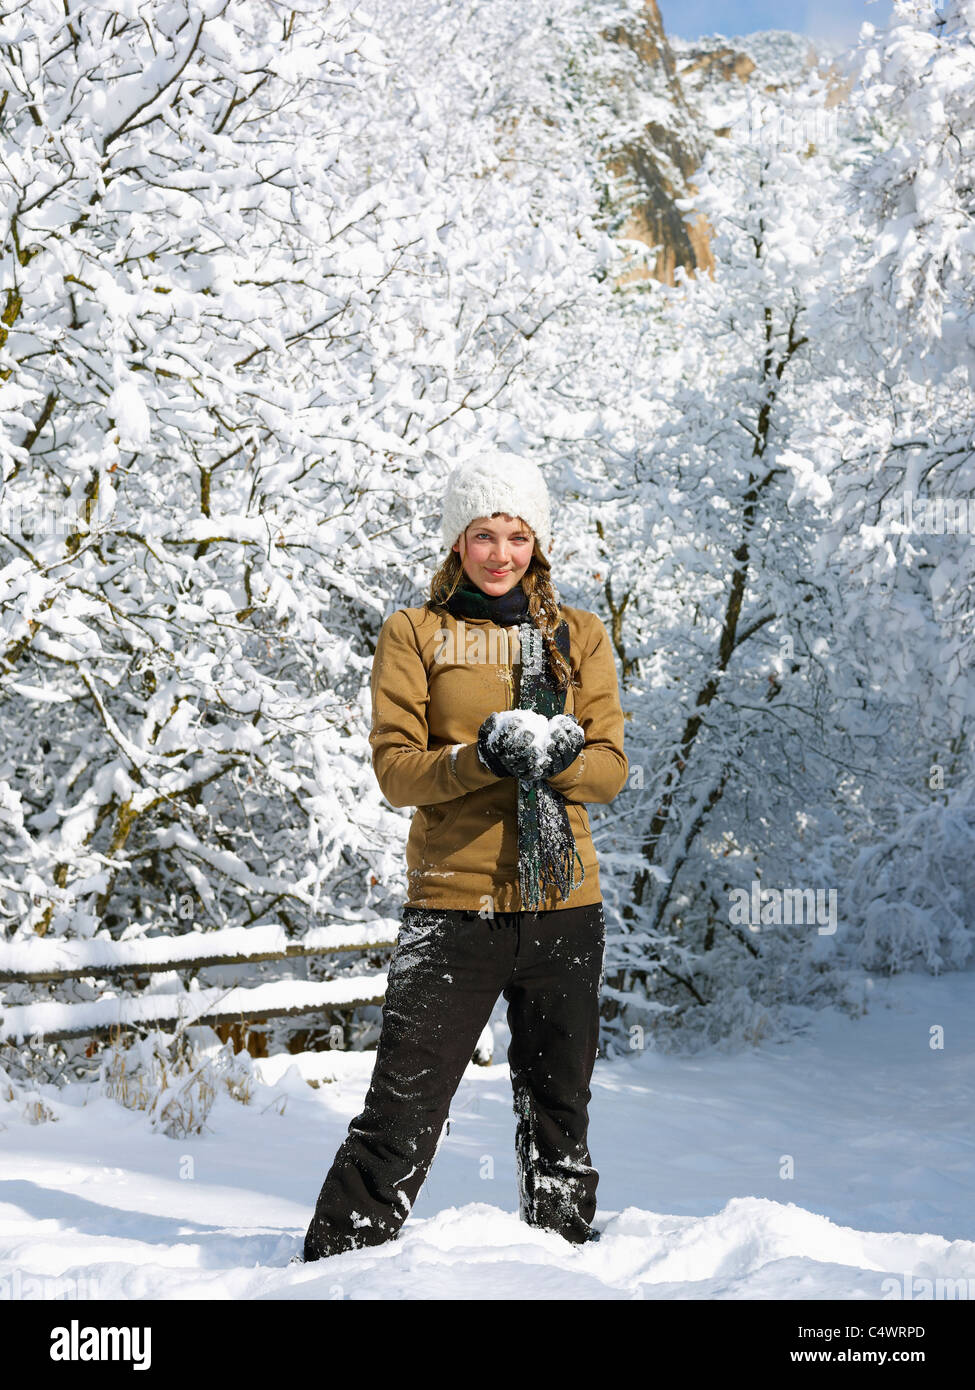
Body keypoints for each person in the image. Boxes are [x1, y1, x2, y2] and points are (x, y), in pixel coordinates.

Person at [300, 450, 628, 1260]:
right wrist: (480, 758)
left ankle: (560, 1263)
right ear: (456, 543)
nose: (500, 553)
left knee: (560, 1110)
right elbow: (396, 771)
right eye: (483, 534)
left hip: (564, 907)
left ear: (537, 545)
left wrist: (556, 758)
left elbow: (610, 772)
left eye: (517, 535)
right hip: (453, 911)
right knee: (401, 1110)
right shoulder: (416, 632)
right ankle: (334, 1268)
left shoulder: (577, 636)